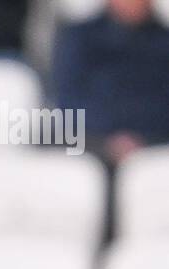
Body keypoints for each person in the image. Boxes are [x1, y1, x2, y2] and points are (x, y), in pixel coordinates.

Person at [52, 0, 169, 165]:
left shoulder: (164, 43)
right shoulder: (79, 37)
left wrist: (140, 139)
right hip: (92, 142)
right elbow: (69, 100)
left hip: (154, 145)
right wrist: (110, 141)